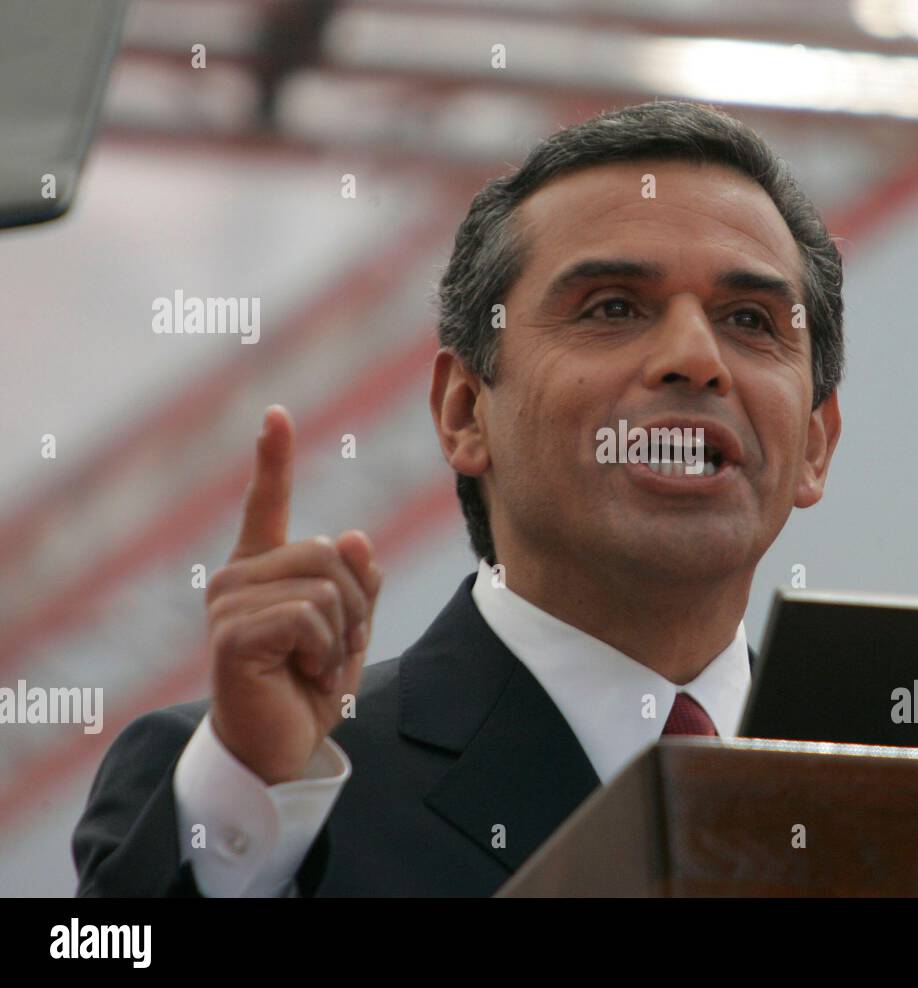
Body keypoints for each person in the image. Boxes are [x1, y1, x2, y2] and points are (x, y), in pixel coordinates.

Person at [72, 99, 844, 896]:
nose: (695, 357)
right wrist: (243, 819)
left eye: (750, 319)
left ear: (815, 445)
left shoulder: (897, 784)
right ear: (465, 412)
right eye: (613, 308)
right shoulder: (264, 786)